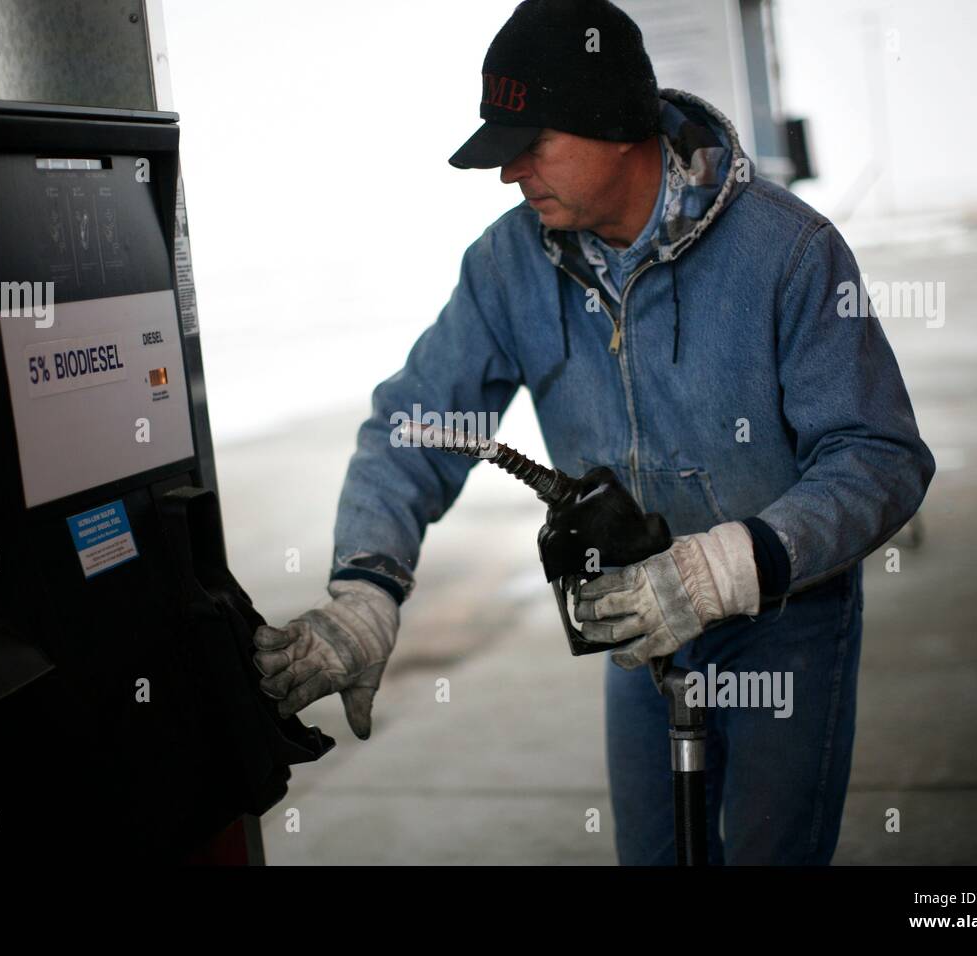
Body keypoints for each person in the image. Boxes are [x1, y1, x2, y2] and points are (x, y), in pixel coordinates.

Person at [251, 0, 935, 865]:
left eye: (531, 146)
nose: (511, 176)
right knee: (653, 857)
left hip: (786, 616)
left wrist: (733, 563)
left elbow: (880, 455)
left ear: (616, 129)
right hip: (638, 623)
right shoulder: (508, 266)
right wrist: (366, 592)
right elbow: (415, 425)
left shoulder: (789, 253)